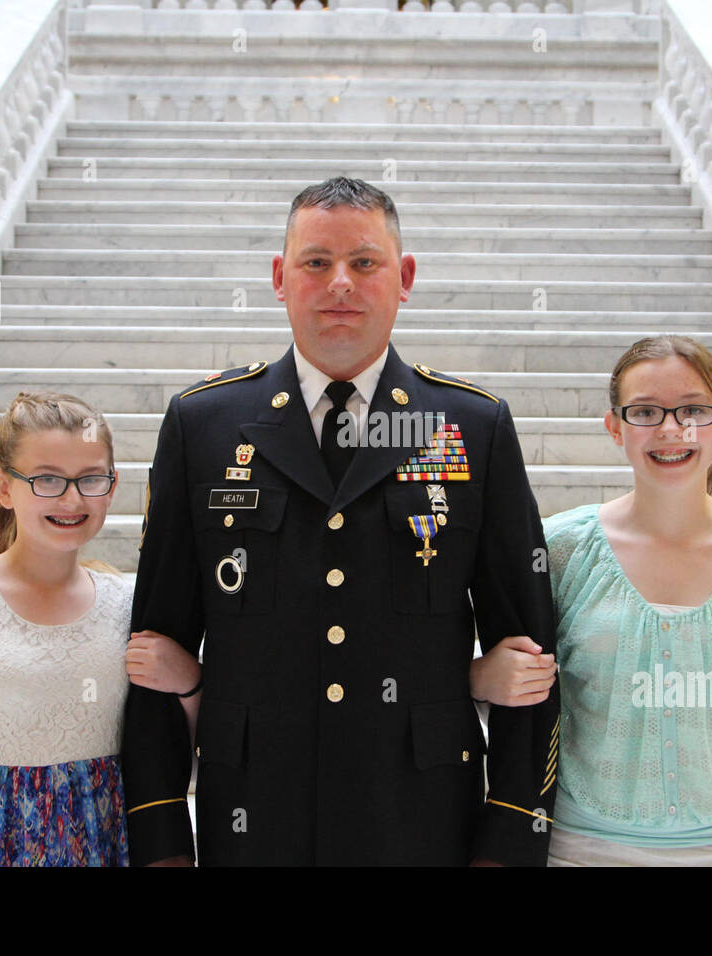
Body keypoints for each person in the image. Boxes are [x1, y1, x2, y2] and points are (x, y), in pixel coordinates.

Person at [122, 177, 560, 866]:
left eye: (364, 262)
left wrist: (508, 838)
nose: (340, 285)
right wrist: (161, 839)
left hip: (420, 820)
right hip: (255, 820)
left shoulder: (470, 427)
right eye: (316, 262)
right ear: (279, 277)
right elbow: (153, 651)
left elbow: (530, 657)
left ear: (404, 277)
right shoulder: (202, 425)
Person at [472, 334, 712, 865]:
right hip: (583, 850)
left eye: (692, 410)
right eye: (644, 411)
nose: (670, 428)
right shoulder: (560, 551)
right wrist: (479, 678)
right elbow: (497, 688)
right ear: (614, 426)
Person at [0, 391, 198, 866]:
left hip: (104, 845)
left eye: (91, 479)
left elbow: (178, 750)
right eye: (48, 479)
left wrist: (190, 681)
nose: (72, 498)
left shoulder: (128, 607)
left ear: (112, 488)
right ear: (4, 487)